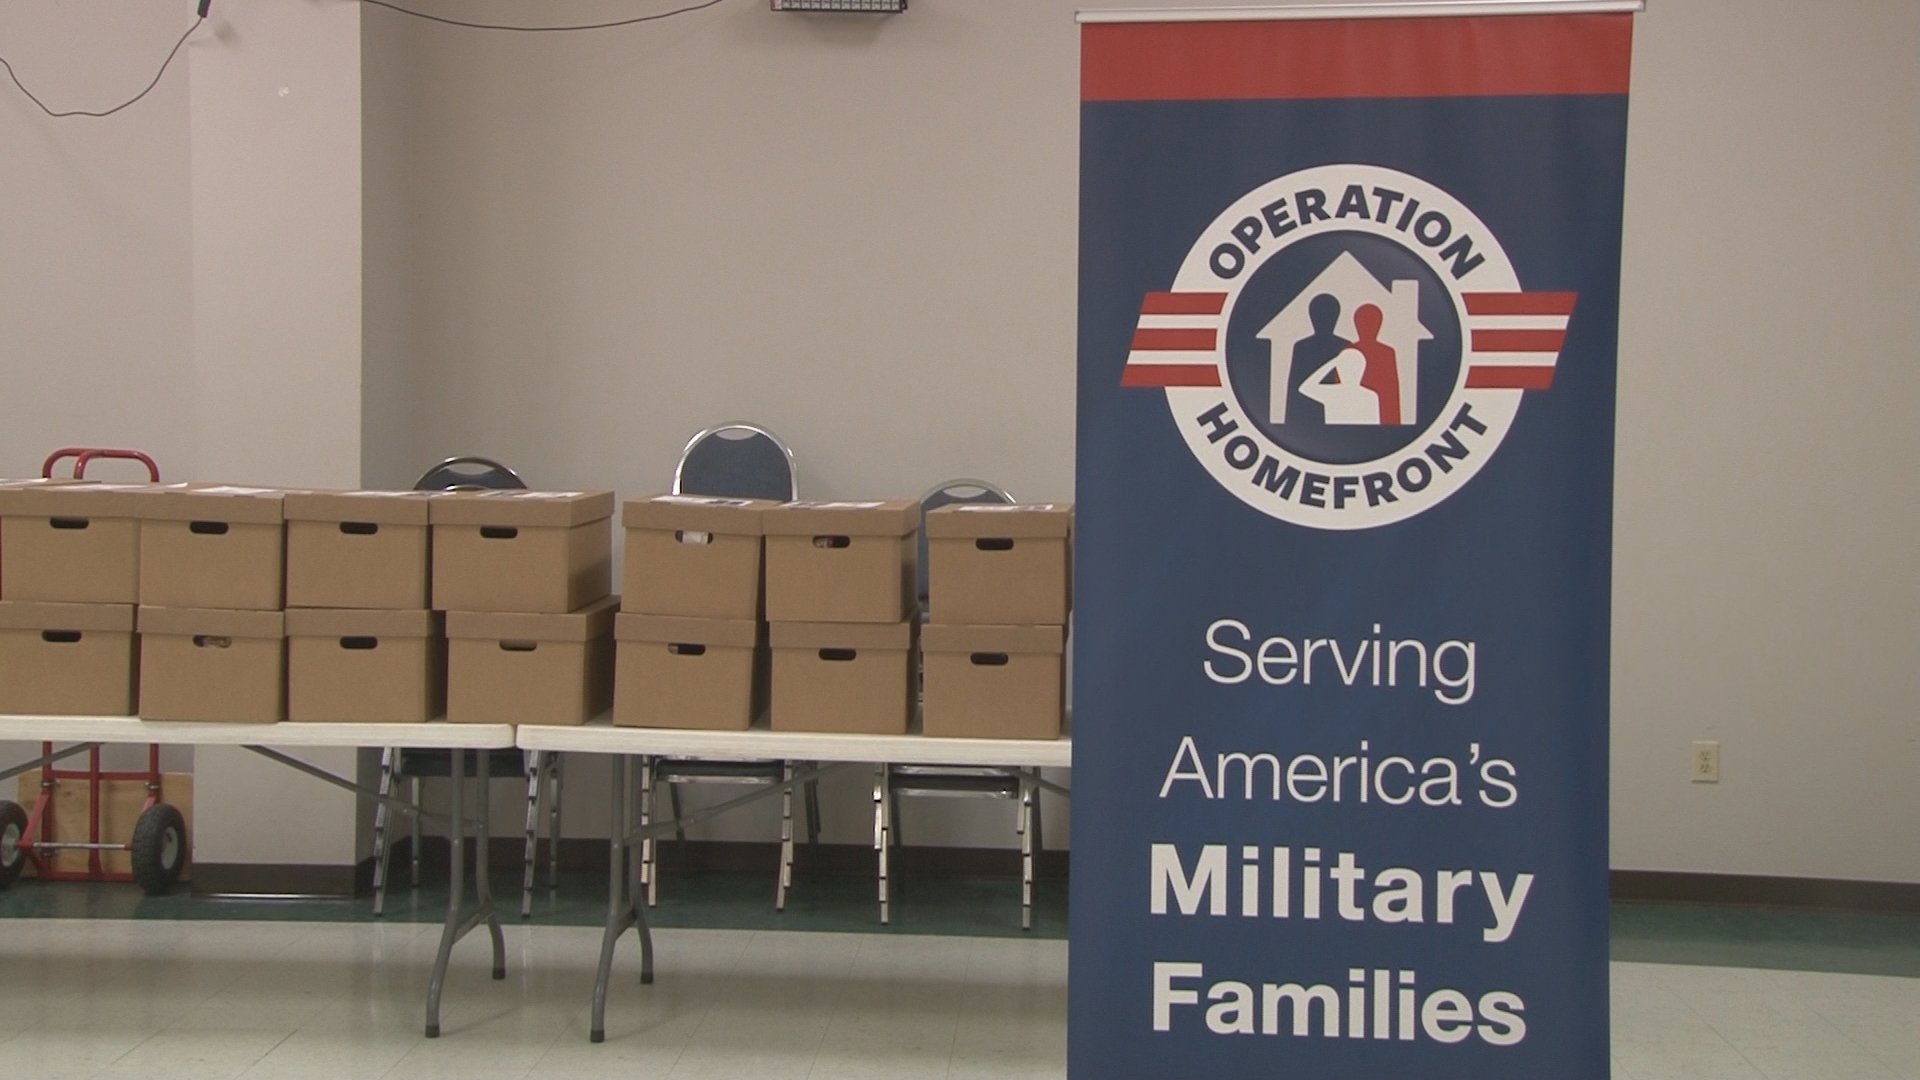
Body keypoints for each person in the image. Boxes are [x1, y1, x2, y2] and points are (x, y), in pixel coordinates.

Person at [1347, 303, 1402, 425]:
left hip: (1382, 417)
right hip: (1352, 416)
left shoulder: (1387, 352)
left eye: (1371, 324)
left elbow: (1392, 390)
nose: (1367, 328)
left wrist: (1392, 421)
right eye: (1363, 324)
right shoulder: (1348, 352)